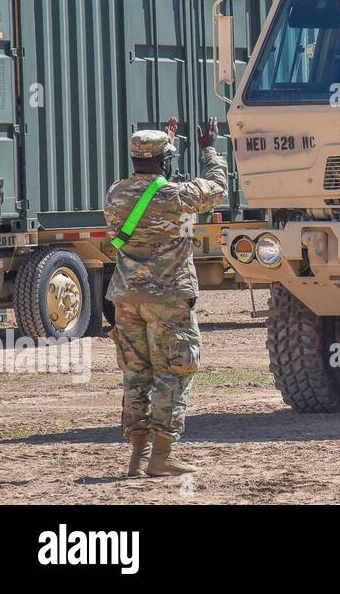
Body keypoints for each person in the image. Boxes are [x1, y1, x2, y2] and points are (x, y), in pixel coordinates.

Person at [105, 117, 228, 476]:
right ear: (166, 160)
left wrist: (164, 149)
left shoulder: (116, 193)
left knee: (136, 374)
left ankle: (137, 457)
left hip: (127, 298)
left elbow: (149, 190)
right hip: (169, 299)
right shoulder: (175, 197)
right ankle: (161, 457)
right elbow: (217, 188)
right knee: (173, 371)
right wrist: (209, 149)